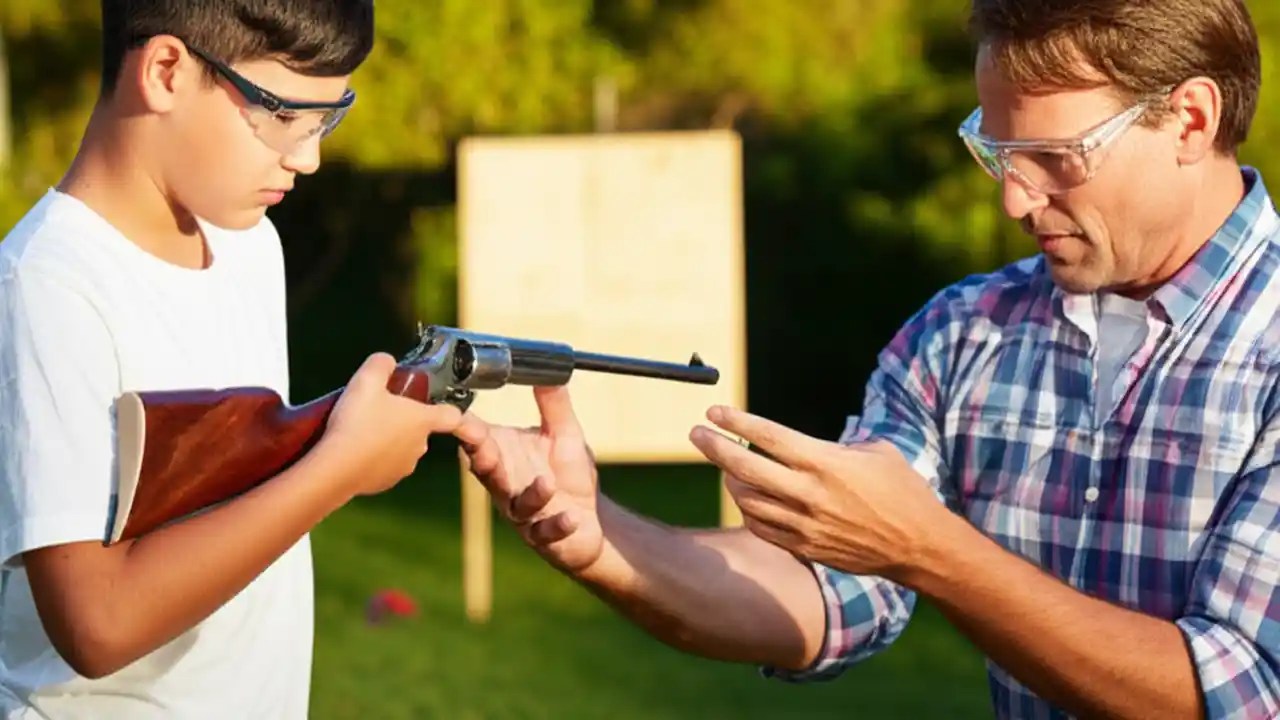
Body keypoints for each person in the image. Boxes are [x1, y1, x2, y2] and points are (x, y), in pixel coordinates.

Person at [454, 0, 1280, 717]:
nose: (1014, 197)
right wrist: (604, 539)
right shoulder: (965, 332)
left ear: (1190, 119)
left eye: (1057, 158)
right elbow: (829, 592)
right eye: (995, 151)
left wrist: (935, 554)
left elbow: (1242, 693)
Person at [0, 1, 462, 717]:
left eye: (326, 118)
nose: (308, 156)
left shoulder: (251, 245)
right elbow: (97, 626)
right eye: (284, 116)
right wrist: (339, 469)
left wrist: (349, 432)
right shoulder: (46, 284)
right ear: (164, 70)